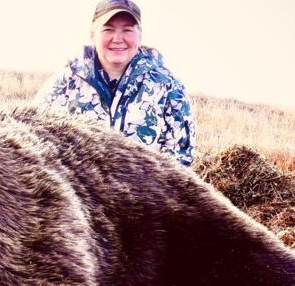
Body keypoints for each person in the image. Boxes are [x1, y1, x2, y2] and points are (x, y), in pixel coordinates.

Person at [39, 2, 196, 168]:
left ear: (139, 36)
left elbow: (181, 159)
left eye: (127, 30)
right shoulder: (63, 84)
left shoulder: (168, 87)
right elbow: (37, 144)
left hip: (148, 192)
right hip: (79, 190)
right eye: (108, 29)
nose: (117, 39)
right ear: (93, 34)